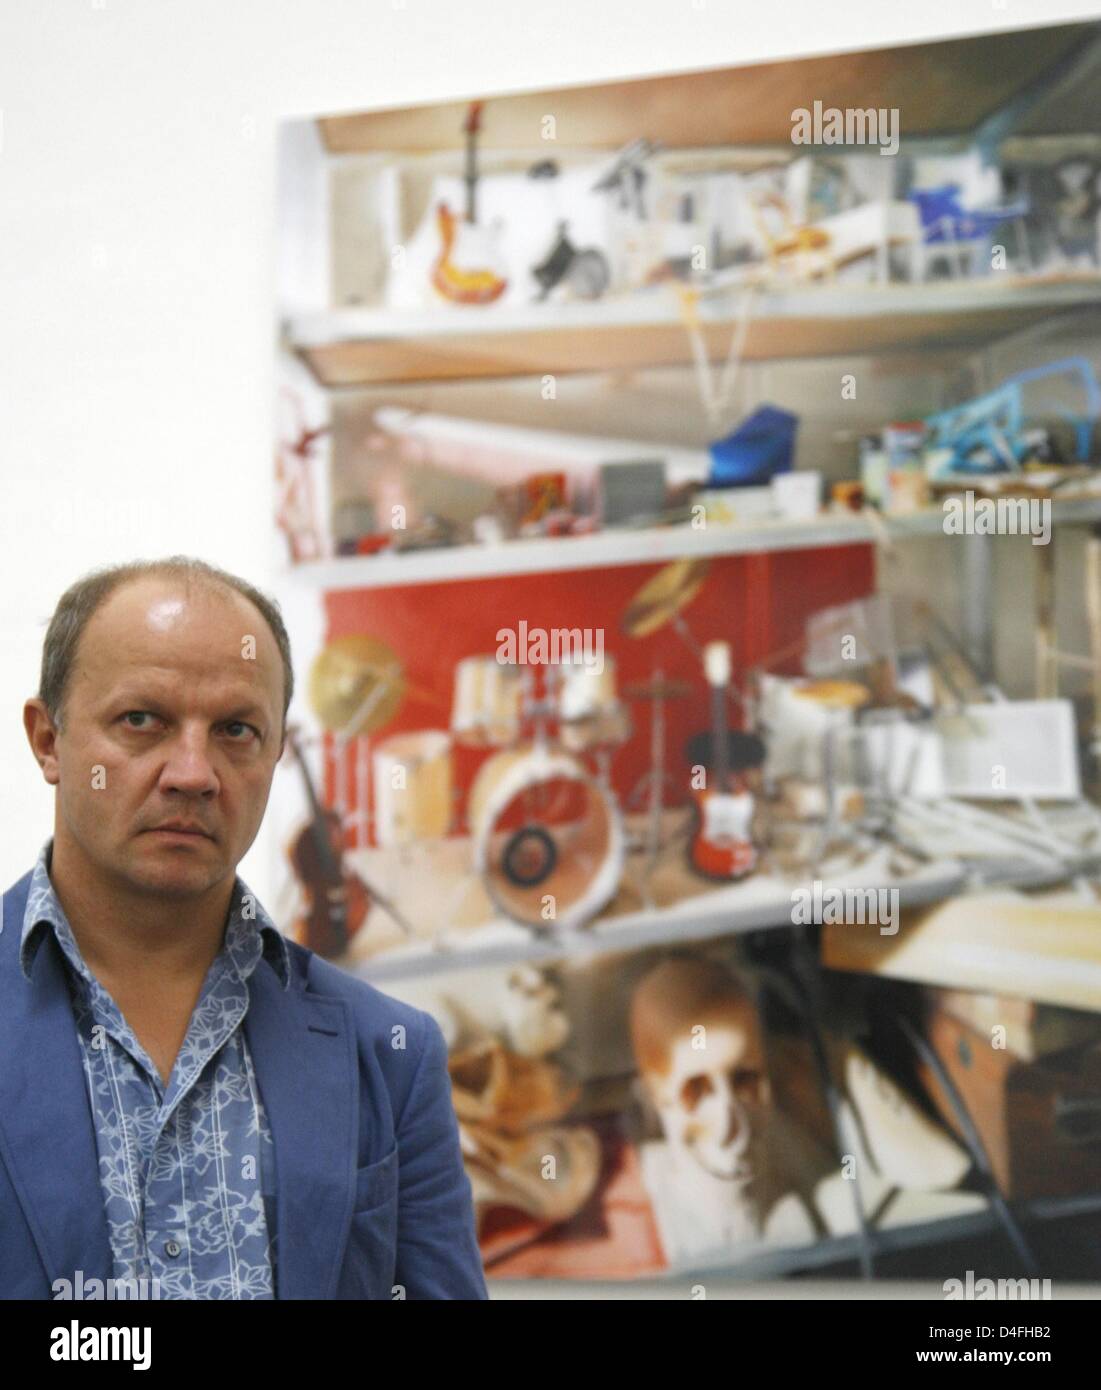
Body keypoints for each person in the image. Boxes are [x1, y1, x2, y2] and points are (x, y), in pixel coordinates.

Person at [0, 556, 488, 1301]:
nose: (194, 772)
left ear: (273, 754)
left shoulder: (390, 1056)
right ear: (47, 740)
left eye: (235, 730)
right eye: (142, 721)